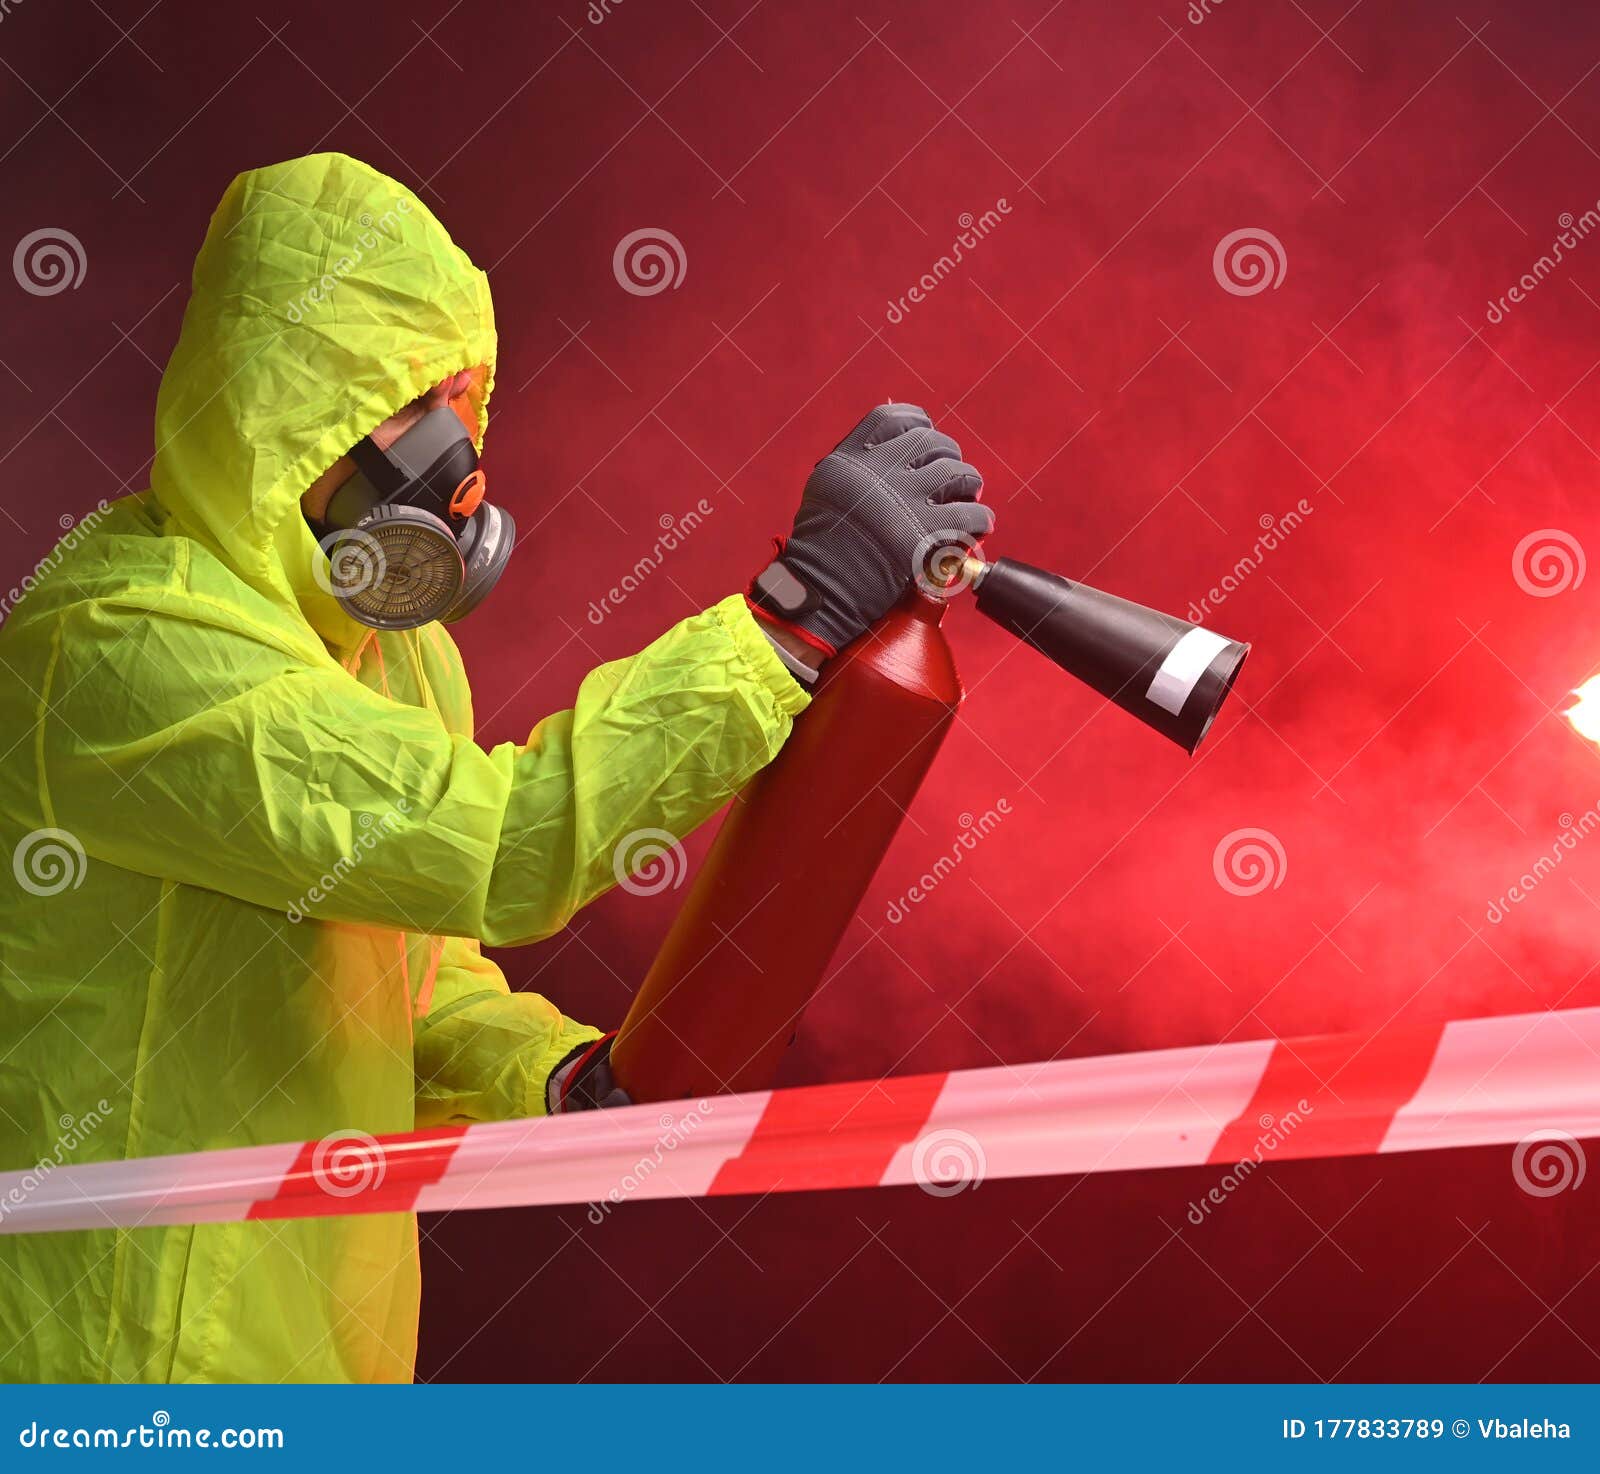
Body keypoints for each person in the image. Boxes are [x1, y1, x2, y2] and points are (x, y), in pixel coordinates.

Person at [0, 152, 991, 1383]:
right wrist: (787, 621)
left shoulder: (386, 663)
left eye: (458, 397)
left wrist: (558, 1080)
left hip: (327, 1362)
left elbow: (406, 989)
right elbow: (502, 843)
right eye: (396, 407)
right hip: (118, 1367)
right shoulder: (122, 648)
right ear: (273, 414)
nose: (447, 464)